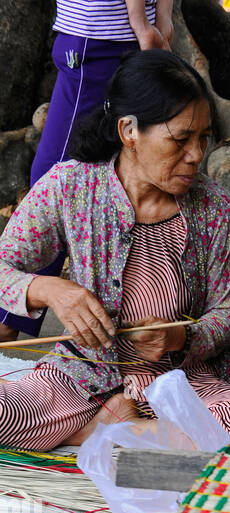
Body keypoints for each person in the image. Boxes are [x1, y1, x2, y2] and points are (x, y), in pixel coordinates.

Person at [0, 50, 230, 449]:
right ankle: (107, 430)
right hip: (84, 374)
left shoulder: (213, 207)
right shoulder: (71, 187)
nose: (197, 155)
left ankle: (116, 434)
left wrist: (180, 338)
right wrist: (50, 290)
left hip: (188, 380)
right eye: (181, 139)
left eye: (203, 137)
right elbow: (4, 266)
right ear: (129, 131)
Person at [0, 0, 175, 344]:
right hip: (112, 37)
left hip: (99, 40)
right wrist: (160, 21)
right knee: (110, 172)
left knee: (52, 182)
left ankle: (7, 316)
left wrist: (142, 23)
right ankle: (137, 310)